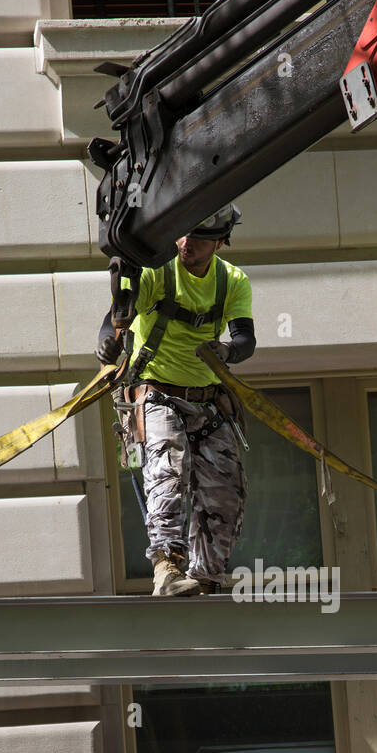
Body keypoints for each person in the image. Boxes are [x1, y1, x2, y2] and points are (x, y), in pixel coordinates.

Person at [96, 205, 256, 596]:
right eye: (182, 235)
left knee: (225, 489)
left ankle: (206, 578)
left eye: (199, 240)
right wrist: (110, 336)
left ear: (219, 242)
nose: (186, 245)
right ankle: (167, 569)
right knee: (168, 470)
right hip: (157, 392)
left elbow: (245, 339)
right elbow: (120, 312)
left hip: (207, 401)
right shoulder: (160, 272)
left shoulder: (232, 281)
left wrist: (228, 352)